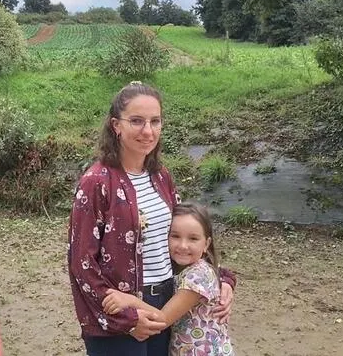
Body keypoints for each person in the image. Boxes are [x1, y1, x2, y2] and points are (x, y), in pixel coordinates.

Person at [67, 81, 236, 356]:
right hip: (117, 311)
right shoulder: (96, 182)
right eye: (136, 121)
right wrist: (125, 319)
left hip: (167, 301)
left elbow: (187, 234)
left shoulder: (161, 177)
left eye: (155, 121)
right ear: (115, 125)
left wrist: (223, 281)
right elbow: (81, 263)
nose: (148, 131)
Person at [102, 202, 234, 355]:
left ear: (207, 244)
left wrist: (128, 300)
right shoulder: (181, 268)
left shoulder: (198, 275)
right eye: (175, 236)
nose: (183, 245)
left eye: (193, 238)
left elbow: (163, 319)